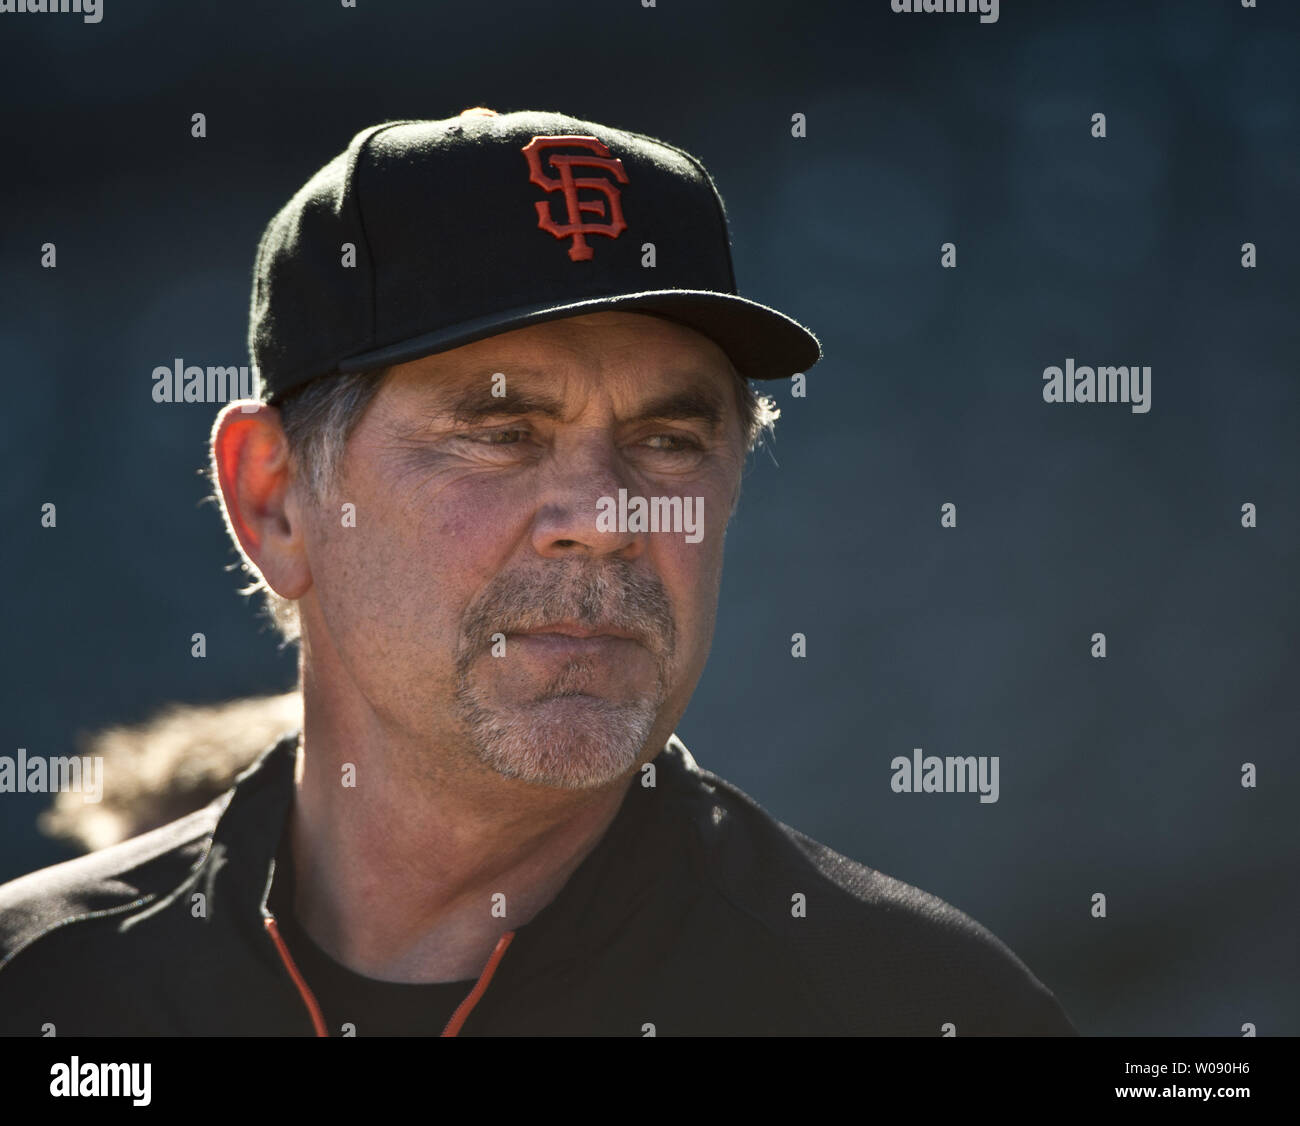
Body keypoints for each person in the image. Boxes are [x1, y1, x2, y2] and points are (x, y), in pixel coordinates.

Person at [0, 107, 1075, 1036]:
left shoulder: (920, 1014)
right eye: (502, 429)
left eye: (667, 439)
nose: (604, 516)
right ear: (275, 501)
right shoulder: (44, 987)